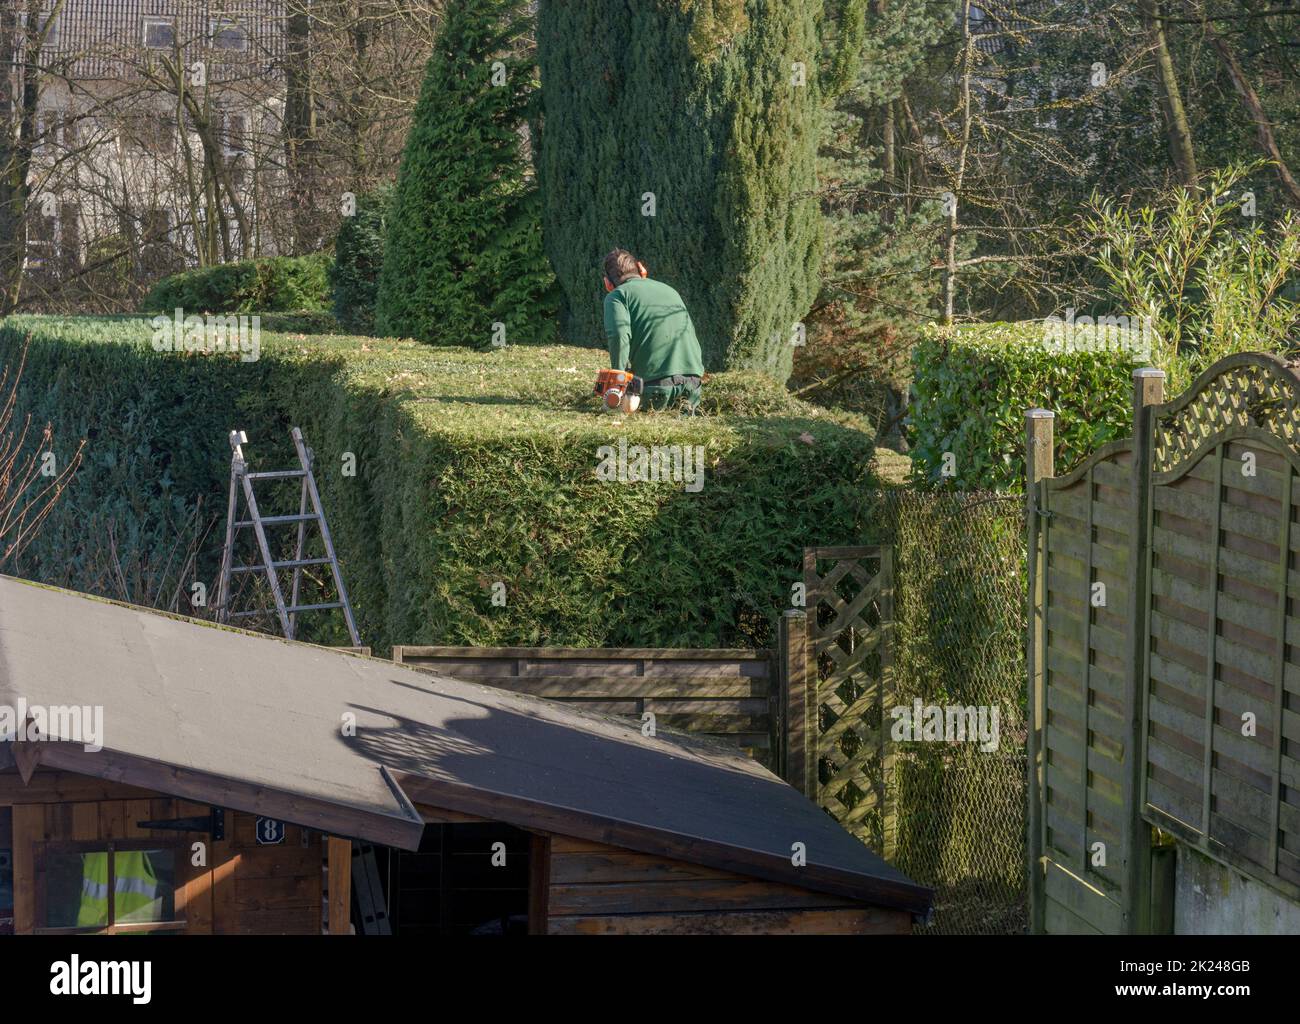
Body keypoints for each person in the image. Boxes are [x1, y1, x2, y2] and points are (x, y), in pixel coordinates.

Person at [602, 248, 705, 412]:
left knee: (615, 417)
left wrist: (617, 382)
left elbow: (619, 335)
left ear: (607, 283)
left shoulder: (618, 296)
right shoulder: (670, 290)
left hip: (655, 390)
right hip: (693, 386)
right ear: (641, 269)